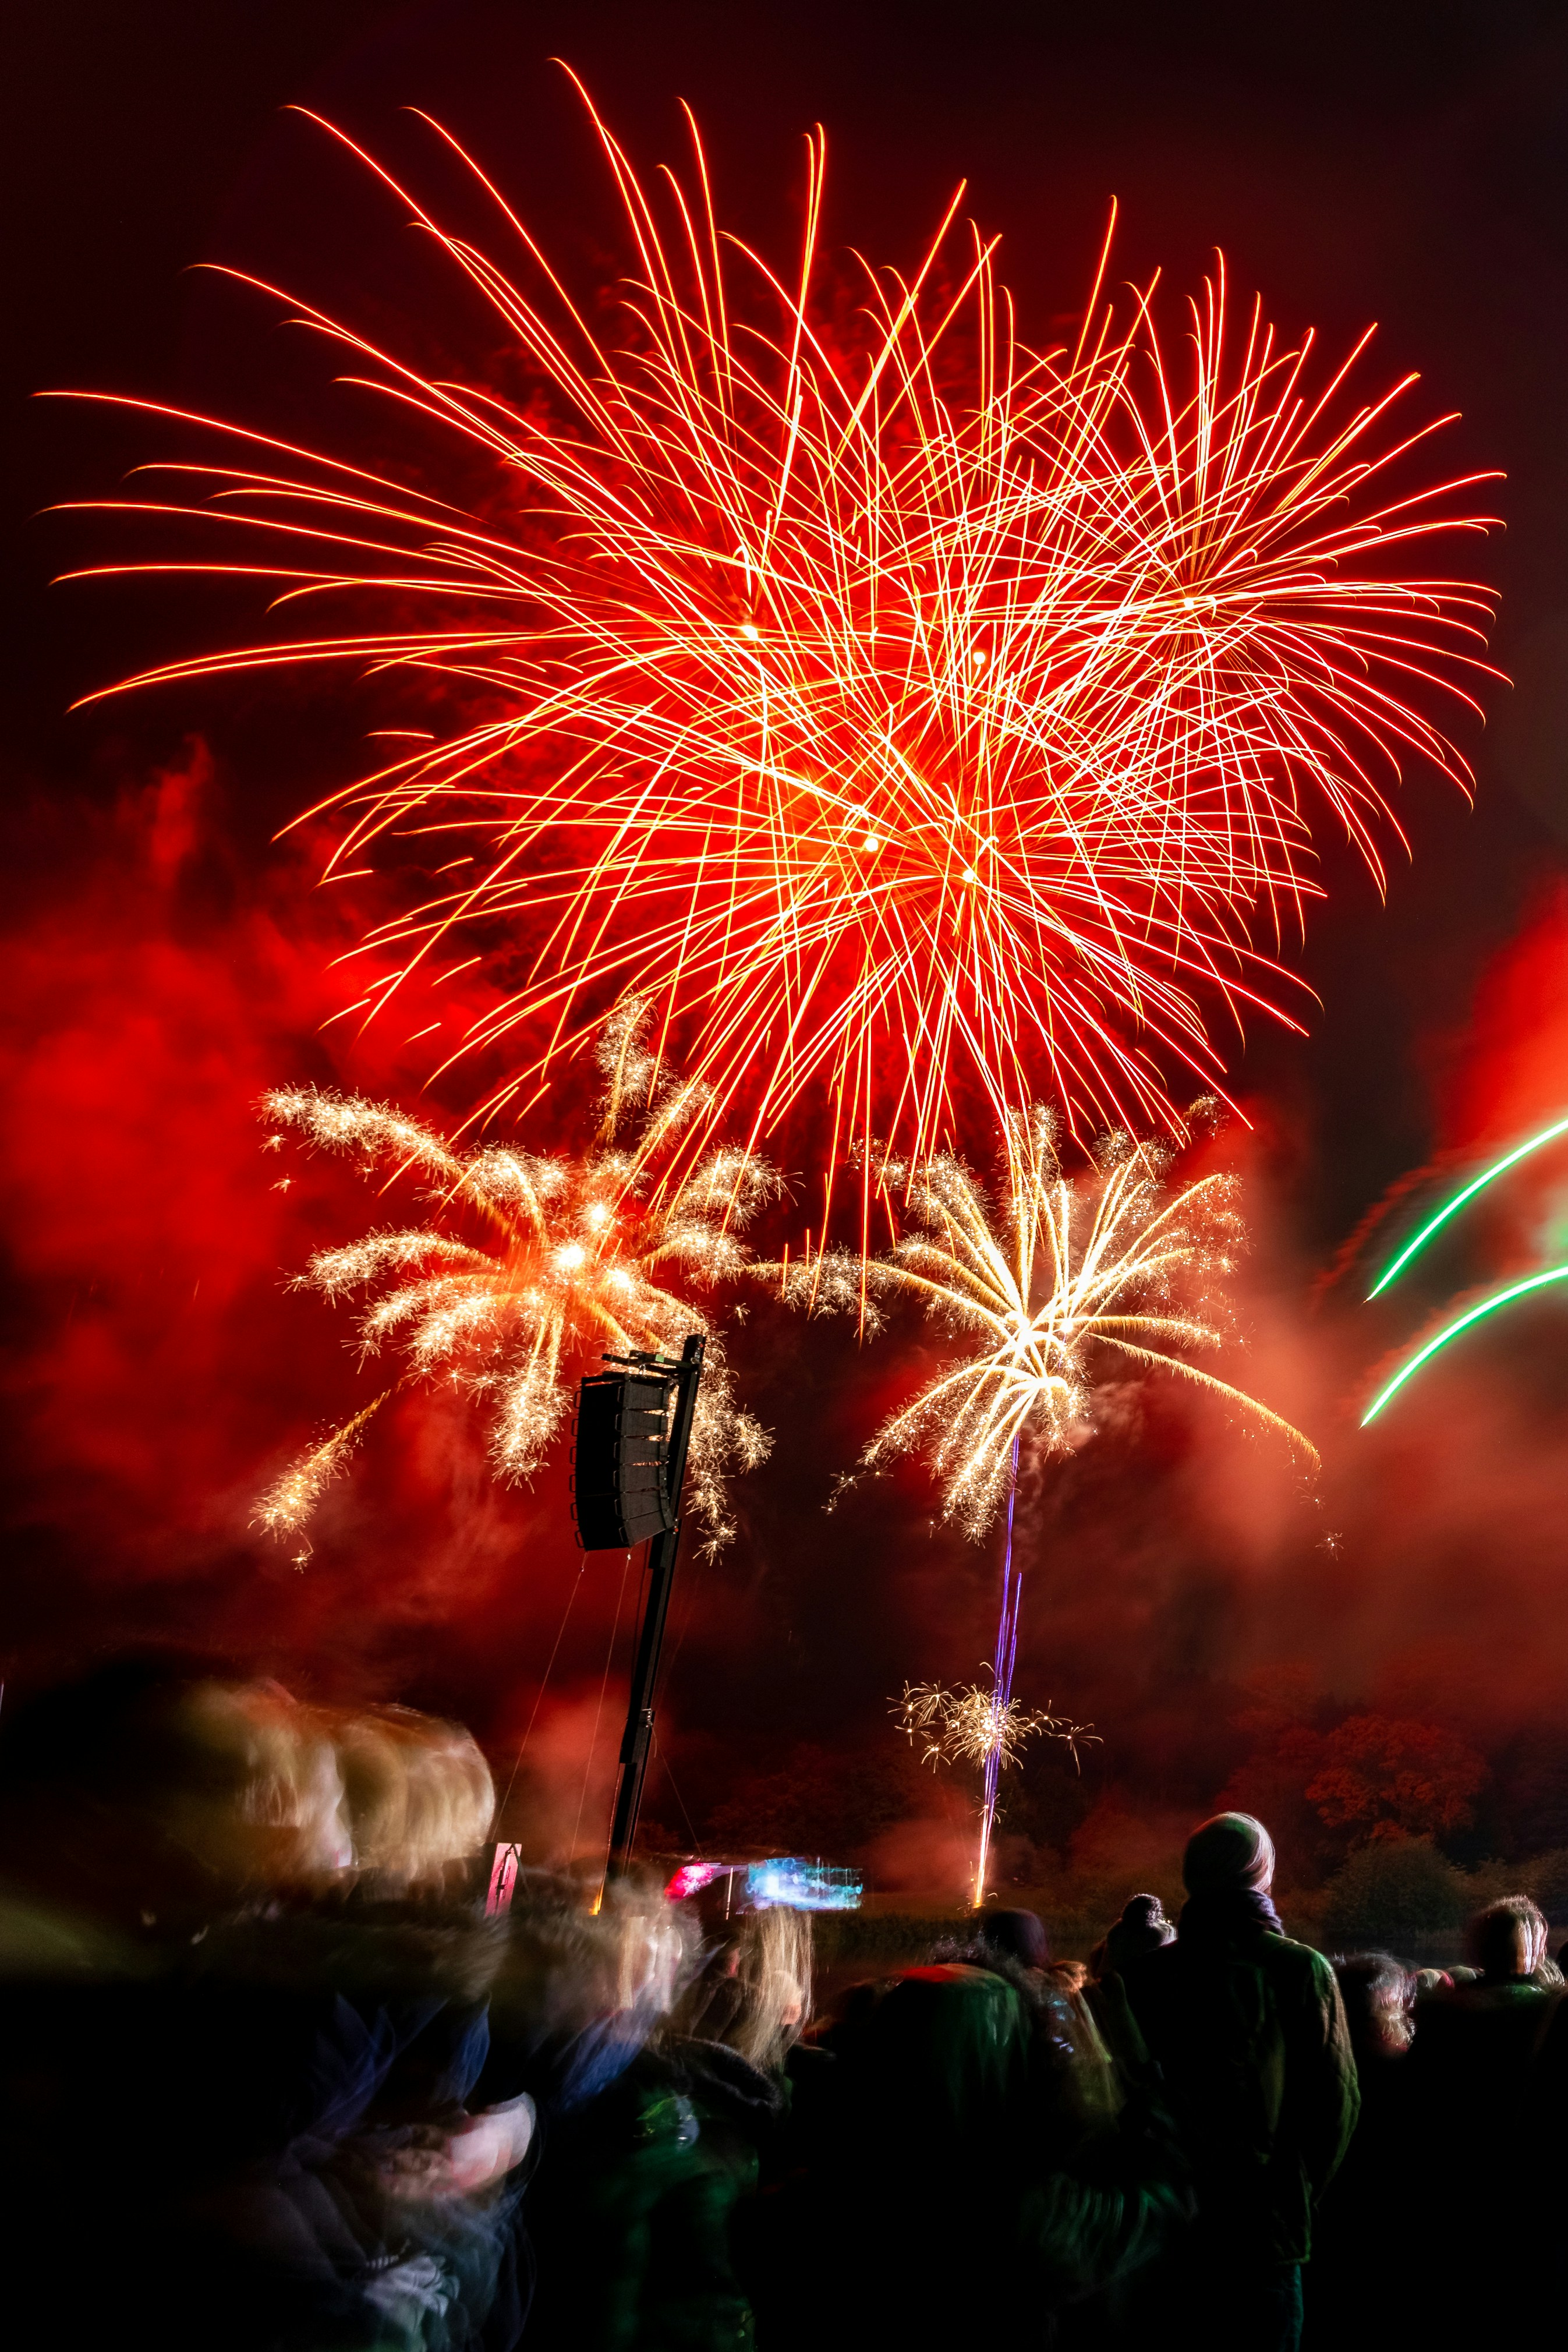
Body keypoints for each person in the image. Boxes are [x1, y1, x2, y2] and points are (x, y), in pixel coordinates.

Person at [1119, 1812, 1357, 2352]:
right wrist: (1295, 2194)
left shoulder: (1143, 1977)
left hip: (1162, 2229)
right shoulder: (1301, 1969)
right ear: (1262, 1874)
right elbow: (1337, 2103)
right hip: (1263, 2233)